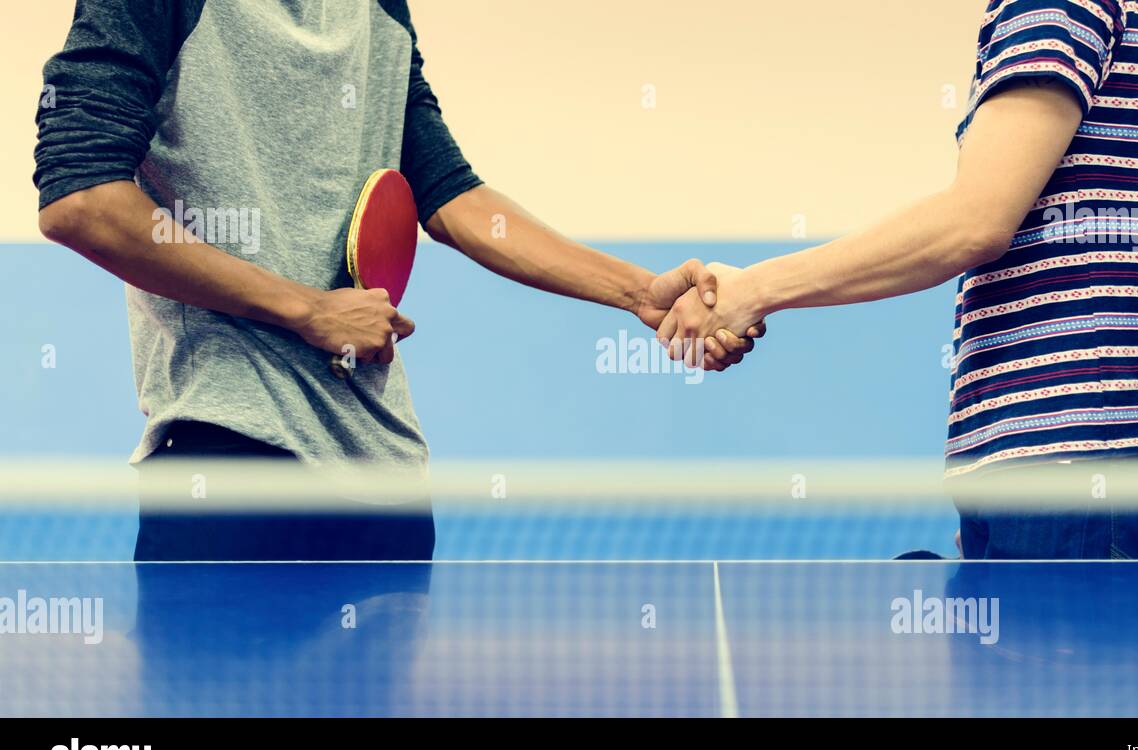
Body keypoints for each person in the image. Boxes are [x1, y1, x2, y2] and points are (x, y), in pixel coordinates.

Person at [33, 0, 762, 561]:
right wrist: (307, 310)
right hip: (230, 462)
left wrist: (640, 293)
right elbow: (82, 199)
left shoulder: (379, 9)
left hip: (385, 471)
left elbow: (452, 196)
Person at [662, 0, 1138, 559]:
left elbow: (975, 222)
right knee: (1006, 649)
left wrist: (751, 291)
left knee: (1050, 652)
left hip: (1066, 450)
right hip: (1035, 449)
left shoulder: (1051, 4)